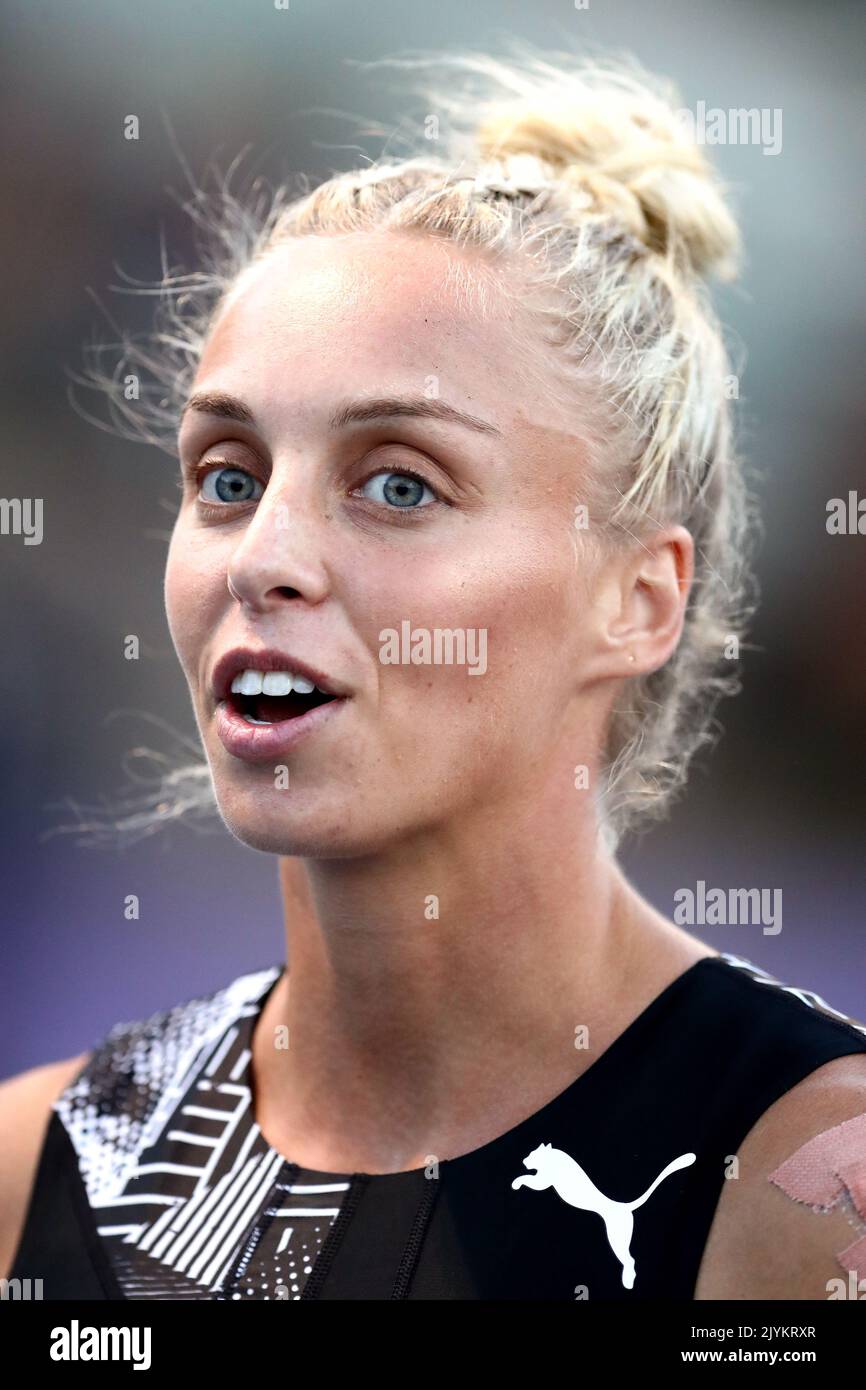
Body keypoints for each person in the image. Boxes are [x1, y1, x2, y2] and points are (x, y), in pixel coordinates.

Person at [3, 48, 865, 1302]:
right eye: (228, 478)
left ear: (636, 599)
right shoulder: (43, 1165)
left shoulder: (806, 1184)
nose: (265, 559)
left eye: (398, 483)